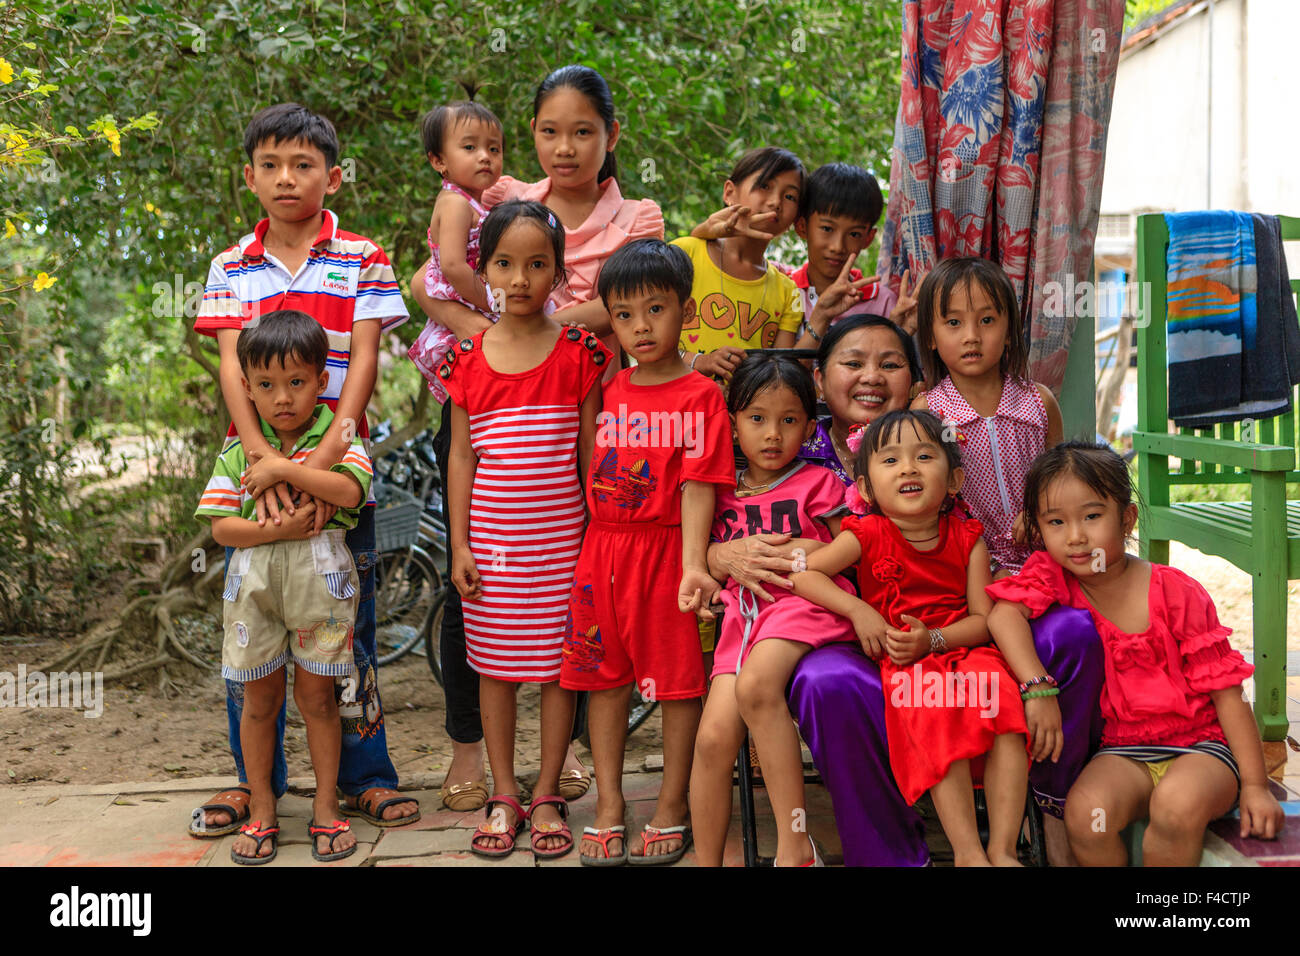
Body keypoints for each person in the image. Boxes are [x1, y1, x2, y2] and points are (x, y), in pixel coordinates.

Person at [707, 314, 1102, 865]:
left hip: (956, 619)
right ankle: (891, 852)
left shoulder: (936, 437)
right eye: (853, 362)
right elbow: (722, 525)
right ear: (821, 379)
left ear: (915, 385)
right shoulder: (783, 436)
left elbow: (990, 561)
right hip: (839, 631)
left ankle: (1050, 814)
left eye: (889, 364)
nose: (871, 376)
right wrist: (720, 555)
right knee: (827, 684)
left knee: (1073, 632)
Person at [415, 65, 663, 809]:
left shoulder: (637, 218)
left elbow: (626, 310)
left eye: (584, 131)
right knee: (478, 604)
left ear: (611, 136)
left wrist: (541, 329)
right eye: (550, 131)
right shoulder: (503, 197)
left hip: (580, 410)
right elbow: (428, 279)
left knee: (580, 611)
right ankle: (479, 763)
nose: (566, 146)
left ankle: (564, 770)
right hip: (488, 411)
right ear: (531, 135)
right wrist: (488, 338)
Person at [189, 103, 418, 840]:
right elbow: (230, 363)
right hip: (254, 467)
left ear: (333, 176)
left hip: (334, 461)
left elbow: (366, 360)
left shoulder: (363, 257)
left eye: (304, 164)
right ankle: (254, 783)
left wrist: (321, 456)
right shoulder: (231, 265)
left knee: (349, 634)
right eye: (270, 165)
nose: (287, 178)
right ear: (249, 177)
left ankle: (364, 778)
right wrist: (260, 456)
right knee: (248, 632)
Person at [987, 441, 1285, 865]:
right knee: (1088, 815)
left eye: (1092, 516)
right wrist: (1038, 687)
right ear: (1038, 527)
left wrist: (1255, 785)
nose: (1075, 536)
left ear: (1126, 518)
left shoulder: (1174, 590)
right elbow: (1003, 617)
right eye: (1056, 522)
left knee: (1174, 808)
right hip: (1123, 752)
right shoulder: (1053, 578)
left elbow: (1227, 693)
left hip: (1201, 749)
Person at [439, 200, 608, 859]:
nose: (520, 278)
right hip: (491, 549)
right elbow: (461, 456)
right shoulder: (466, 359)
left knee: (559, 671)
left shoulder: (581, 352)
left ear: (559, 273)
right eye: (505, 263)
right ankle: (503, 791)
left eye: (538, 264)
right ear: (483, 271)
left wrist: (600, 538)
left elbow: (592, 454)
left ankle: (546, 793)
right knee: (496, 669)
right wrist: (459, 545)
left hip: (565, 543)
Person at [559, 239, 733, 866]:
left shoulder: (701, 395)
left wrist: (693, 564)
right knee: (603, 681)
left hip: (666, 553)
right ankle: (609, 805)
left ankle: (671, 803)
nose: (640, 327)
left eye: (655, 310)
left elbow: (698, 486)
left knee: (680, 686)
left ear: (685, 312)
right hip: (600, 551)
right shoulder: (605, 384)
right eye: (624, 314)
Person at [792, 409, 1029, 866]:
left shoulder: (967, 537)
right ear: (864, 490)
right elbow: (805, 577)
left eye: (924, 456)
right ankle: (967, 853)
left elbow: (983, 620)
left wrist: (935, 638)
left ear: (954, 479)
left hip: (959, 647)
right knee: (933, 706)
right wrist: (860, 610)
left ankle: (1002, 849)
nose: (908, 468)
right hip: (906, 661)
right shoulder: (865, 533)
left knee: (1003, 701)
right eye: (890, 461)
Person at [194, 310, 370, 864]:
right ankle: (265, 806)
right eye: (266, 386)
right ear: (246, 387)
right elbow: (222, 527)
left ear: (322, 380)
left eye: (297, 382)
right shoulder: (235, 453)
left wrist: (282, 471)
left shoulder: (340, 435)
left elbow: (348, 494)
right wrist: (281, 526)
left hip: (321, 591)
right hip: (254, 595)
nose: (283, 398)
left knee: (318, 699)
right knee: (259, 699)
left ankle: (324, 806)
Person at [691, 354, 857, 867]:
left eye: (789, 421)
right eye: (757, 419)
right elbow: (703, 561)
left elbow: (854, 543)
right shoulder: (717, 493)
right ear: (732, 419)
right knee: (713, 740)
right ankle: (708, 861)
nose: (772, 434)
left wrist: (795, 553)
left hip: (802, 604)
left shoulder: (820, 484)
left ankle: (794, 845)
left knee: (758, 688)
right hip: (741, 620)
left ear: (809, 427)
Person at [912, 257, 1063, 576]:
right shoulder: (927, 413)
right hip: (969, 564)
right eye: (954, 323)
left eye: (987, 320)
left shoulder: (1039, 401)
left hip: (1048, 553)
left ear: (1009, 331)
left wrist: (1042, 511)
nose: (972, 336)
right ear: (930, 337)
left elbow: (1063, 479)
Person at [674, 147, 807, 383]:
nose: (776, 202)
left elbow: (777, 375)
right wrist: (699, 361)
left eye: (790, 197)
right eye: (764, 186)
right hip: (673, 410)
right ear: (729, 192)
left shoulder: (788, 292)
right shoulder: (685, 253)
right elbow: (644, 332)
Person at [408, 99, 504, 401]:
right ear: (439, 161)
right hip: (468, 301)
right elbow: (452, 266)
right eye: (470, 148)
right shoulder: (455, 203)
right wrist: (493, 303)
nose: (484, 157)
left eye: (494, 149)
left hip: (473, 299)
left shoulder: (473, 202)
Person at [784, 162, 920, 344]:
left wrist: (898, 336)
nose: (838, 247)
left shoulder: (884, 302)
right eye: (827, 228)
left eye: (854, 234)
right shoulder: (784, 291)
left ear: (868, 238)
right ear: (802, 227)